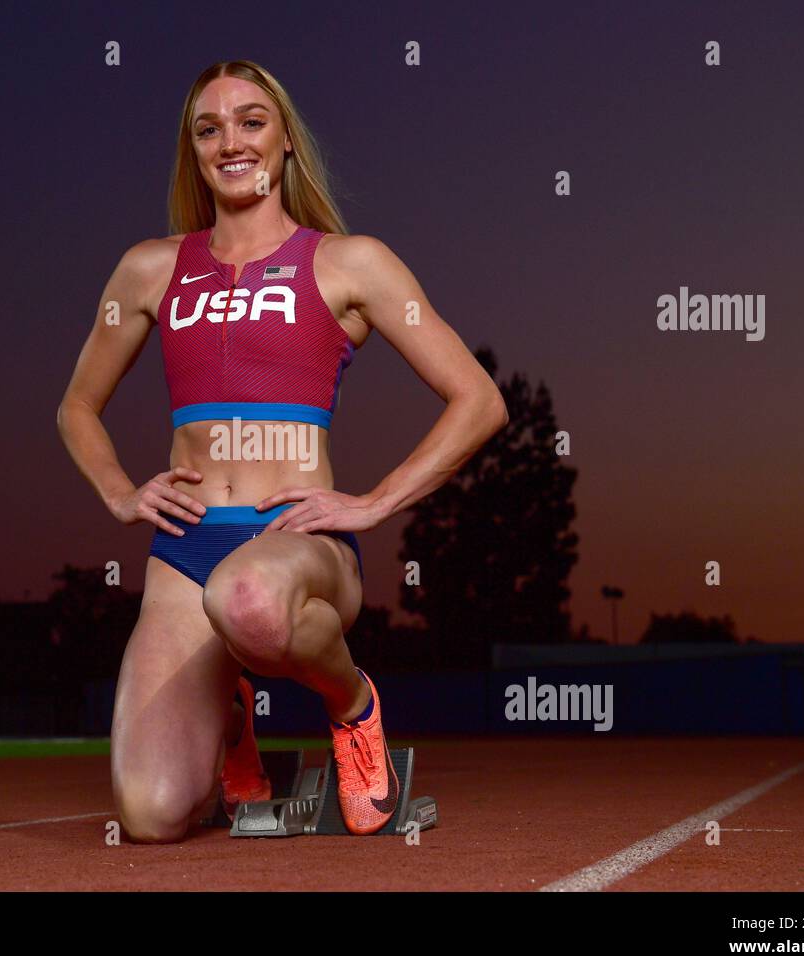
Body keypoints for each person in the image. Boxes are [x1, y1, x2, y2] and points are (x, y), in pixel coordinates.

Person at [58, 60, 507, 842]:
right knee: (151, 815)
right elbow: (76, 407)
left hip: (297, 543)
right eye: (209, 127)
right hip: (184, 550)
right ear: (192, 151)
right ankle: (235, 725)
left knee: (250, 601)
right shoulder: (149, 268)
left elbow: (480, 400)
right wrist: (121, 491)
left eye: (251, 120)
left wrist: (372, 503)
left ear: (287, 140)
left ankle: (351, 707)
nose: (231, 140)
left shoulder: (349, 261)